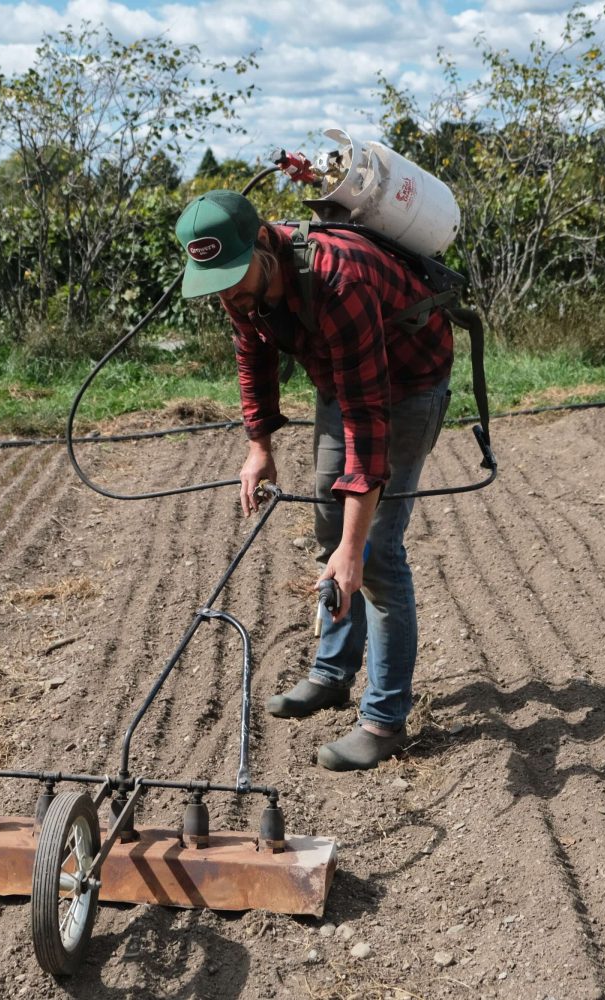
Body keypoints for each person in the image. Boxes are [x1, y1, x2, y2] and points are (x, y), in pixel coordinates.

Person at [175, 189, 453, 771]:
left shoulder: (339, 282)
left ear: (263, 244)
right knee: (332, 534)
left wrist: (355, 548)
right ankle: (332, 673)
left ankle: (384, 720)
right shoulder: (241, 284)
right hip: (341, 378)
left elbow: (368, 420)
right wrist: (259, 445)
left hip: (405, 386)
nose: (227, 295)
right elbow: (252, 355)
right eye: (215, 283)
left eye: (233, 278)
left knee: (374, 554)